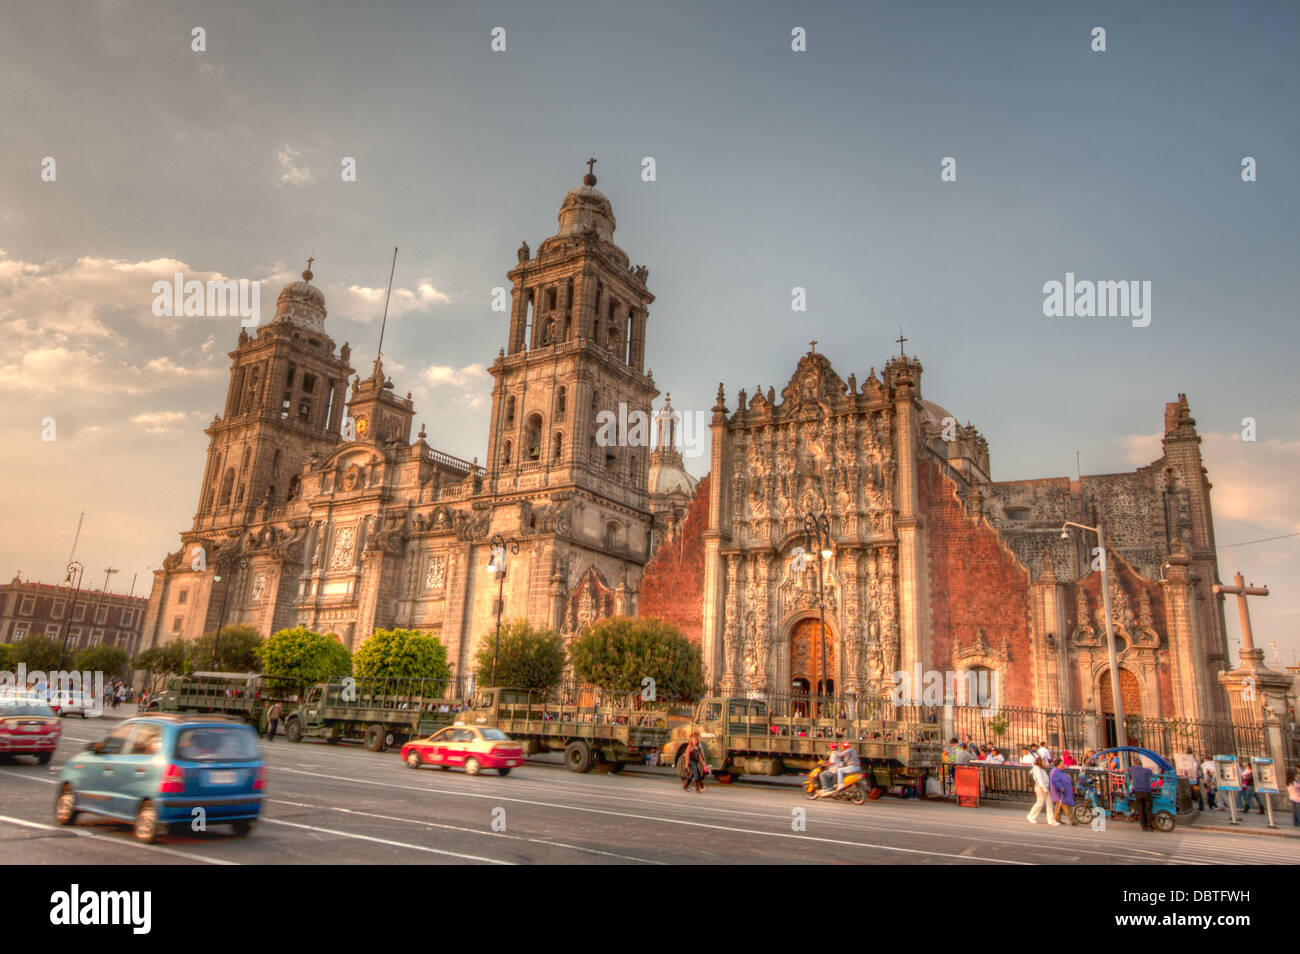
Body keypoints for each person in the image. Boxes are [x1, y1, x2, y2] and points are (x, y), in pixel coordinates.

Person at [1128, 760, 1156, 831]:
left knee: (1141, 809)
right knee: (1149, 809)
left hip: (1138, 791)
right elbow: (1151, 774)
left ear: (1135, 764)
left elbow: (1126, 769)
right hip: (1147, 791)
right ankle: (1149, 825)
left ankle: (1143, 826)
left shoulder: (1133, 769)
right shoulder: (1148, 770)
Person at [1050, 758, 1078, 825]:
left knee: (1059, 805)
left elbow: (1064, 778)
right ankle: (1072, 820)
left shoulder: (1061, 771)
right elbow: (1054, 781)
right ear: (1057, 765)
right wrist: (1060, 787)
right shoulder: (1054, 772)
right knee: (1066, 805)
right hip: (1060, 792)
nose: (1063, 765)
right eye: (1062, 764)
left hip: (1064, 790)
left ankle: (1057, 818)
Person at [1027, 756, 1052, 824]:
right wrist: (1044, 789)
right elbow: (1040, 779)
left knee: (1049, 803)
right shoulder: (1037, 768)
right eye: (1043, 761)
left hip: (1044, 787)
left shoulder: (1041, 769)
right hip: (1041, 787)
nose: (1045, 763)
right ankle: (1031, 816)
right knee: (1040, 803)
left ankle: (1051, 820)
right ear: (1040, 762)